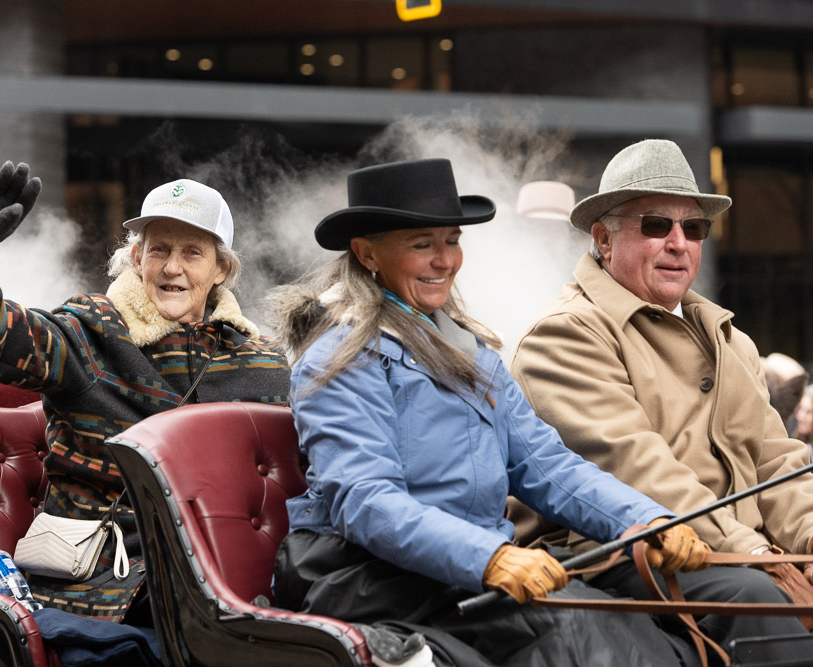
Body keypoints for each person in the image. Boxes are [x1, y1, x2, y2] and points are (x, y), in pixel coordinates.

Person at [267, 158, 714, 667]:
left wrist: (645, 519)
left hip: (463, 575)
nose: (445, 261)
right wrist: (489, 558)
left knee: (634, 631)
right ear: (367, 253)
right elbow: (366, 502)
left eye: (452, 241)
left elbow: (545, 465)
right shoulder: (338, 359)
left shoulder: (472, 354)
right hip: (372, 580)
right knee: (585, 644)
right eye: (421, 244)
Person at [0, 154, 291, 623]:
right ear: (137, 257)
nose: (172, 268)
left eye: (192, 253)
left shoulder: (260, 359)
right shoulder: (89, 330)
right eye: (159, 250)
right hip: (103, 586)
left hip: (228, 575)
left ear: (221, 270)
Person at [510, 139, 813, 651]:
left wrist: (806, 545)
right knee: (752, 599)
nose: (679, 243)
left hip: (734, 553)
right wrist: (758, 556)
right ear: (604, 239)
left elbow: (780, 462)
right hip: (618, 551)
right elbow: (639, 470)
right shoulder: (566, 336)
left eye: (693, 228)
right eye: (656, 225)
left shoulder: (731, 339)